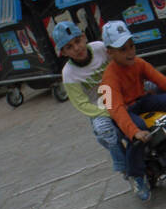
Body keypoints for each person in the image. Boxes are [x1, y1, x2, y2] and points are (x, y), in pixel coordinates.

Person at [100, 20, 166, 201]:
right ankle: (137, 176)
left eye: (131, 46)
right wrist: (134, 132)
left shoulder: (139, 63)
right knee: (137, 132)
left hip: (142, 101)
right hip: (125, 112)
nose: (130, 52)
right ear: (110, 52)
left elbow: (161, 80)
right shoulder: (108, 78)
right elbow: (115, 109)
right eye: (123, 49)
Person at [52, 20, 126, 177]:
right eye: (69, 47)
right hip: (99, 106)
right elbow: (82, 104)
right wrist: (110, 111)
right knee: (105, 131)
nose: (77, 48)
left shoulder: (100, 48)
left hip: (121, 92)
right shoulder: (69, 73)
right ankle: (126, 168)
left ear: (84, 37)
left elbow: (120, 64)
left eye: (77, 41)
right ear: (63, 53)